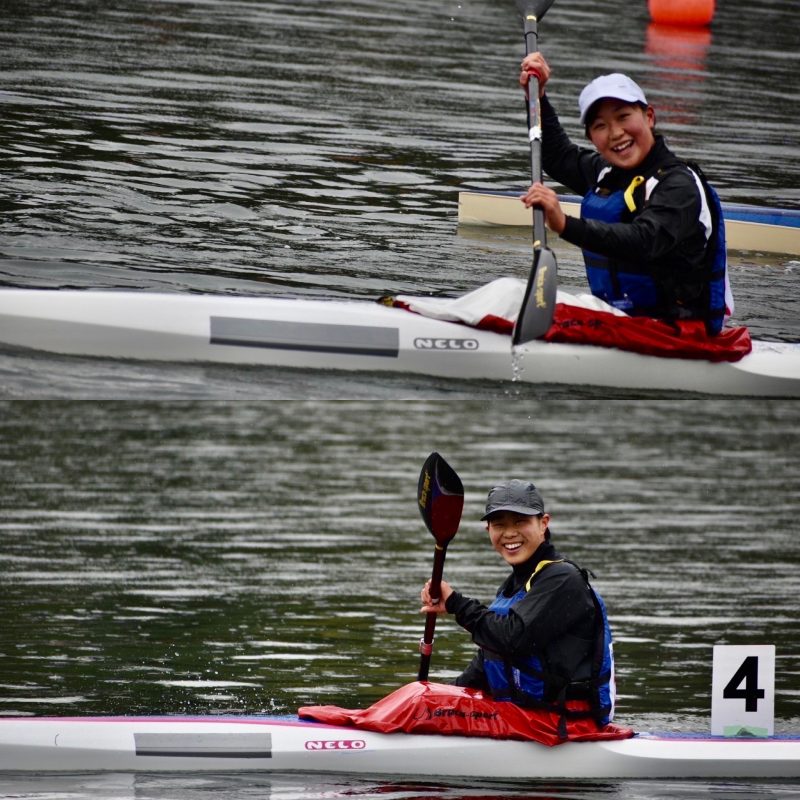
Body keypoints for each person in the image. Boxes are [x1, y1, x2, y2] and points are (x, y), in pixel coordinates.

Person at [518, 54, 733, 335]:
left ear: (649, 117)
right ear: (591, 137)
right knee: (510, 296)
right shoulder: (607, 173)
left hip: (678, 331)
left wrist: (564, 224)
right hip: (627, 322)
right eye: (600, 126)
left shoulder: (679, 186)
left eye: (623, 117)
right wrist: (537, 96)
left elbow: (645, 240)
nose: (615, 133)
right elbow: (557, 155)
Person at [420, 479, 616, 735]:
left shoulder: (563, 579)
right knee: (421, 703)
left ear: (544, 523)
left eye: (520, 522)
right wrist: (438, 696)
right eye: (499, 524)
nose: (510, 533)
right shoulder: (514, 586)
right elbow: (491, 659)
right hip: (525, 716)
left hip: (561, 724)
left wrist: (457, 603)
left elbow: (512, 636)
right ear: (488, 529)